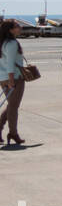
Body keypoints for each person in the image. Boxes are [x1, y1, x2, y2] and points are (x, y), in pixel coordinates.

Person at [0, 18, 27, 146]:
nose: (20, 27)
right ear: (10, 30)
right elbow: (10, 63)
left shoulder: (4, 42)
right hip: (14, 78)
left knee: (11, 105)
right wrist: (11, 80)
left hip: (4, 77)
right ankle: (13, 133)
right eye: (17, 26)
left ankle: (3, 129)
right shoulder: (11, 43)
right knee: (13, 107)